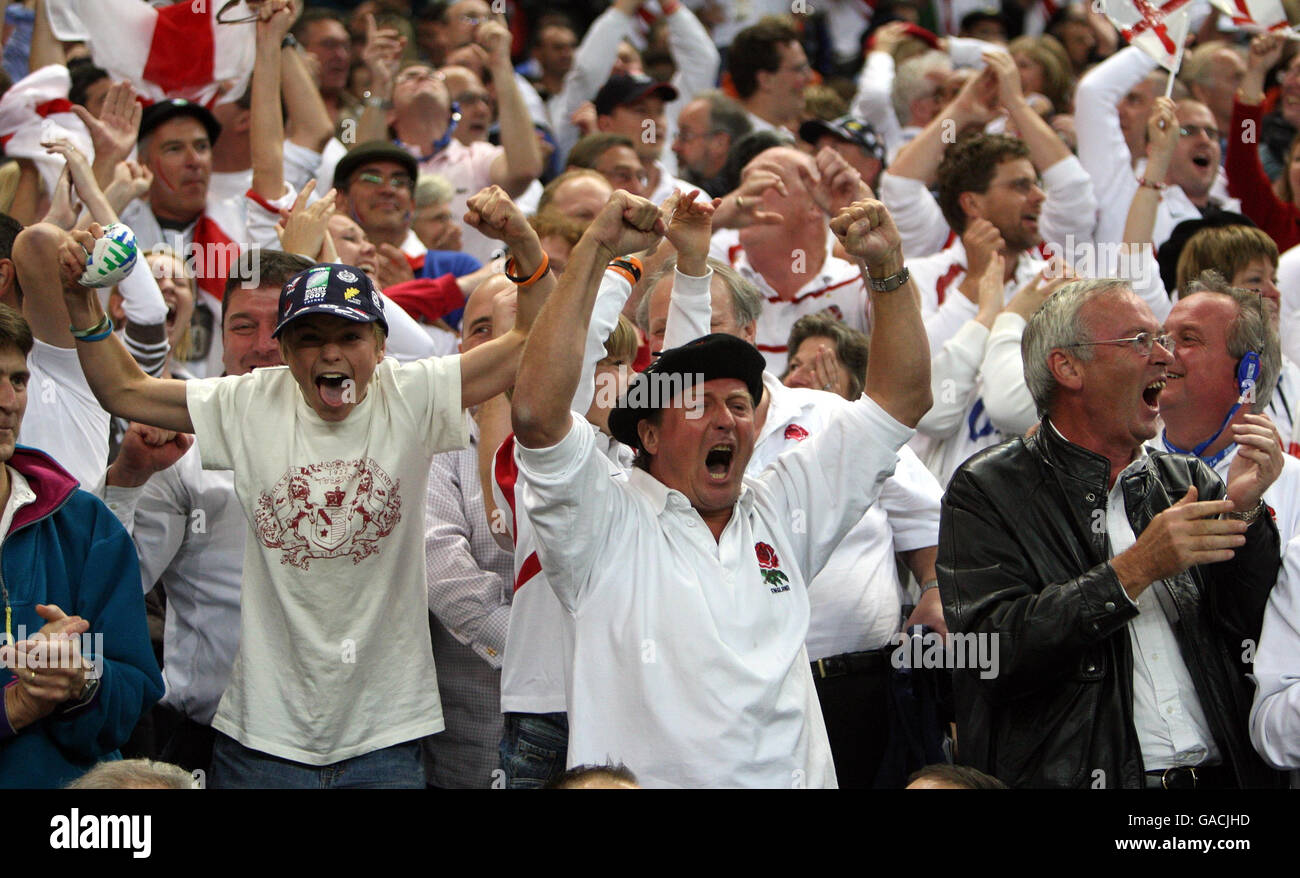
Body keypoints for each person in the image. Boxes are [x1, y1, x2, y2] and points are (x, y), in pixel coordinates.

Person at [56, 186, 548, 787]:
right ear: (286, 352)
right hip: (263, 736)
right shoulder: (250, 401)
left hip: (388, 735)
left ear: (381, 345)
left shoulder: (411, 393)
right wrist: (82, 305)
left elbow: (529, 345)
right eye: (310, 339)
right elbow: (125, 392)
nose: (331, 354)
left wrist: (522, 241)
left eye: (349, 337)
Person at [508, 189, 930, 786]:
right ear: (649, 433)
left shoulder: (783, 507)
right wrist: (597, 249)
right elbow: (536, 415)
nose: (726, 418)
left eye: (738, 403)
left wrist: (886, 272)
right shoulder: (600, 518)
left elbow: (901, 400)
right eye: (699, 404)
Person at [938, 276, 1286, 789]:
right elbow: (992, 652)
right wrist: (1134, 570)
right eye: (1140, 341)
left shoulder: (1187, 479)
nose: (1165, 360)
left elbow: (1252, 629)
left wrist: (1247, 516)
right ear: (1067, 367)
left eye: (1163, 341)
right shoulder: (988, 489)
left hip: (1219, 784)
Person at [100, 251, 312, 776]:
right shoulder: (181, 445)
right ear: (221, 336)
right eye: (243, 326)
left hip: (365, 743)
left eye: (281, 327)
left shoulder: (377, 430)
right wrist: (128, 478)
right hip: (214, 741)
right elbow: (114, 586)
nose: (262, 346)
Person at [0, 303, 163, 788]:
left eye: (18, 380)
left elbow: (134, 689)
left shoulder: (82, 521)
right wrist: (15, 704)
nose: (7, 400)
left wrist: (80, 681)